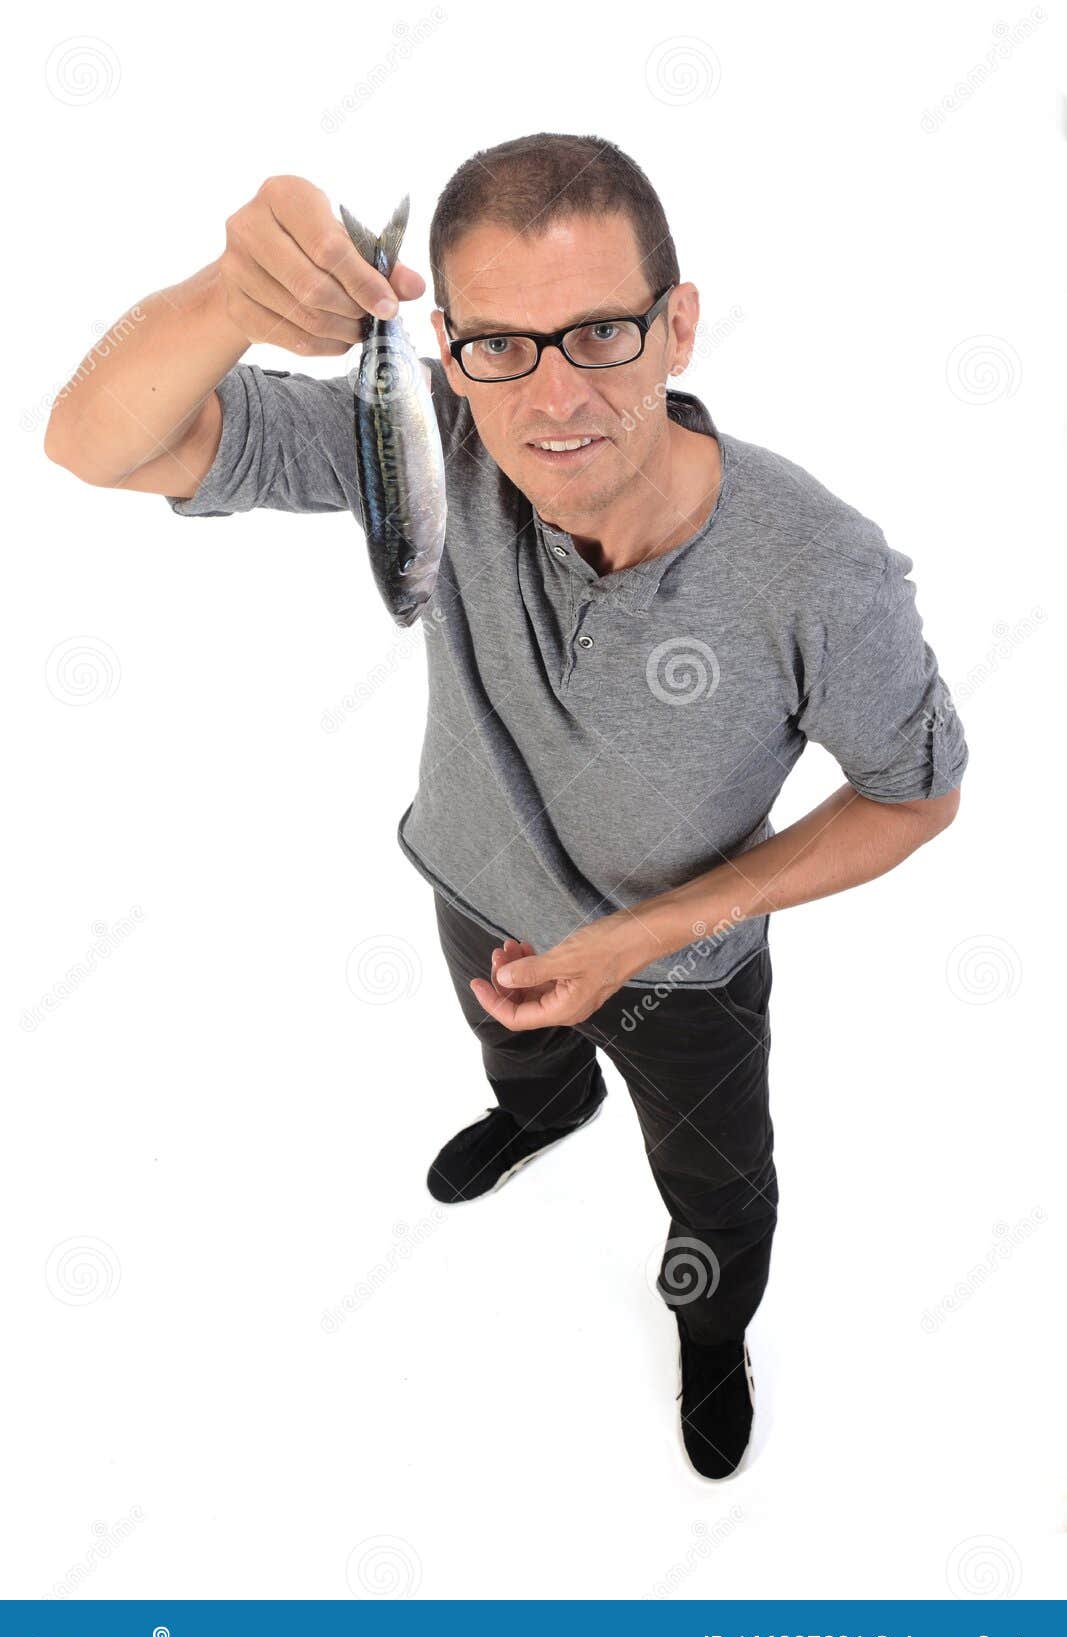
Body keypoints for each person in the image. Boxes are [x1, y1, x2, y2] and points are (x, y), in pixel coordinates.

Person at [43, 132, 969, 1481]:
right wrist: (226, 301)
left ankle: (712, 1327)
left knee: (721, 1189)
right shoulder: (429, 437)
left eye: (599, 332)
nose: (552, 398)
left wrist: (652, 934)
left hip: (687, 980)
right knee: (516, 1053)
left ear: (679, 328)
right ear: (454, 346)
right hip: (470, 883)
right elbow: (96, 444)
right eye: (499, 345)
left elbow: (918, 795)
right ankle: (543, 1111)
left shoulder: (824, 575)